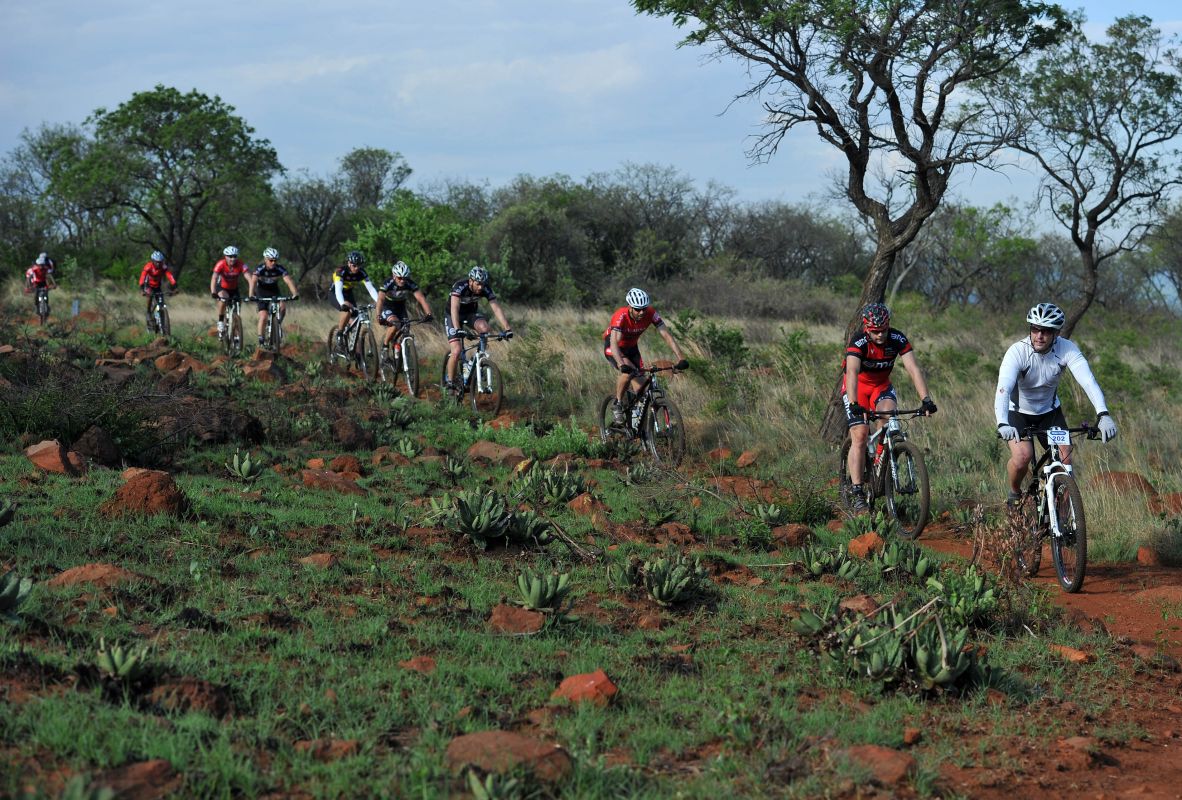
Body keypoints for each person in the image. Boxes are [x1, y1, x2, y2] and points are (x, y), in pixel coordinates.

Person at [995, 302, 1117, 504]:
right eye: (1035, 329)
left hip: (1049, 413)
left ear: (1056, 333)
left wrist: (1103, 414)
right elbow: (1003, 389)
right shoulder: (1017, 352)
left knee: (1065, 460)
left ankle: (1062, 521)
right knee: (1023, 457)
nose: (1039, 336)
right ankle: (1015, 492)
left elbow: (1088, 381)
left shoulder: (1067, 349)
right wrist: (1002, 422)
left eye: (1046, 331)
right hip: (1018, 413)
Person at [843, 302, 937, 512]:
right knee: (859, 434)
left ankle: (879, 461)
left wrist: (926, 400)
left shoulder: (897, 339)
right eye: (875, 331)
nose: (880, 335)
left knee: (888, 416)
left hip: (881, 387)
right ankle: (857, 491)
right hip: (857, 388)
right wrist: (854, 403)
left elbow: (913, 368)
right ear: (867, 328)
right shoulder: (858, 341)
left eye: (883, 330)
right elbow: (851, 373)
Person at [603, 287, 689, 426]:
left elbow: (666, 335)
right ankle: (618, 404)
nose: (642, 312)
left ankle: (637, 425)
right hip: (614, 348)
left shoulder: (651, 313)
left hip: (632, 348)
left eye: (644, 308)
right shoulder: (621, 315)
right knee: (628, 373)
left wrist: (681, 358)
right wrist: (621, 364)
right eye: (637, 309)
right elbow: (614, 342)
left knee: (641, 388)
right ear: (630, 307)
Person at [444, 266, 512, 390]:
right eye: (478, 284)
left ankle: (479, 359)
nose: (480, 287)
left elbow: (496, 308)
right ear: (470, 281)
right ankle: (450, 381)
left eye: (483, 284)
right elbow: (455, 308)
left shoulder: (485, 288)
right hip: (452, 315)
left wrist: (507, 328)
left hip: (470, 314)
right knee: (457, 350)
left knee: (484, 328)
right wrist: (458, 329)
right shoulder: (459, 286)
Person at [376, 260, 432, 354]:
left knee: (406, 328)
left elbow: (421, 298)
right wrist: (378, 315)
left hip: (400, 307)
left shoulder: (409, 283)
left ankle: (400, 353)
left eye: (405, 278)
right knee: (395, 324)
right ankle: (385, 347)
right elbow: (380, 299)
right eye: (399, 278)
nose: (402, 280)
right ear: (394, 276)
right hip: (388, 306)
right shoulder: (388, 283)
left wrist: (428, 313)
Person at [247, 247, 299, 346]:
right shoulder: (260, 268)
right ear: (265, 259)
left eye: (275, 260)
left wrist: (295, 293)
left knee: (282, 307)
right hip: (262, 291)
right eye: (271, 260)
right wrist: (251, 294)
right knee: (263, 316)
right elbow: (253, 281)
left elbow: (288, 281)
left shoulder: (279, 268)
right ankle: (261, 340)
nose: (273, 262)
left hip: (274, 291)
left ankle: (277, 324)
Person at [331, 251, 380, 349]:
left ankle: (354, 349)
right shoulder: (340, 272)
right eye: (354, 265)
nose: (357, 268)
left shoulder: (361, 273)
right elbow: (338, 291)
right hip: (335, 294)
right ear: (349, 263)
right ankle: (340, 334)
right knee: (347, 312)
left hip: (348, 294)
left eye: (359, 265)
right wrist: (343, 303)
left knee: (355, 321)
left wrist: (379, 302)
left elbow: (371, 289)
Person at [210, 245, 247, 339]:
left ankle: (236, 331)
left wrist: (252, 292)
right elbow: (214, 278)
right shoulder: (220, 264)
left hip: (234, 289)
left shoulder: (240, 264)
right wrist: (213, 291)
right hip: (222, 287)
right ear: (225, 256)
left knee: (237, 308)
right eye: (230, 256)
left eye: (235, 256)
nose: (233, 259)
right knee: (223, 299)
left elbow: (249, 278)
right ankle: (221, 322)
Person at [138, 250, 178, 326]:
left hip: (157, 286)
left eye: (160, 262)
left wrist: (175, 286)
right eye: (156, 262)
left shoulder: (163, 267)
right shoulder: (148, 267)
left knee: (161, 301)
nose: (158, 263)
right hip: (148, 285)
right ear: (153, 261)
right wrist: (142, 289)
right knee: (150, 296)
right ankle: (148, 313)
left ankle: (163, 320)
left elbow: (169, 276)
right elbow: (142, 277)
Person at [25, 254, 58, 318]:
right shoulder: (34, 270)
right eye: (40, 265)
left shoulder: (46, 269)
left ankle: (46, 305)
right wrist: (28, 287)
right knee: (36, 294)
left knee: (46, 294)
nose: (42, 267)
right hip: (36, 283)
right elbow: (29, 278)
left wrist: (54, 284)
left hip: (43, 283)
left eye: (43, 265)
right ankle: (37, 306)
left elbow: (50, 276)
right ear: (37, 265)